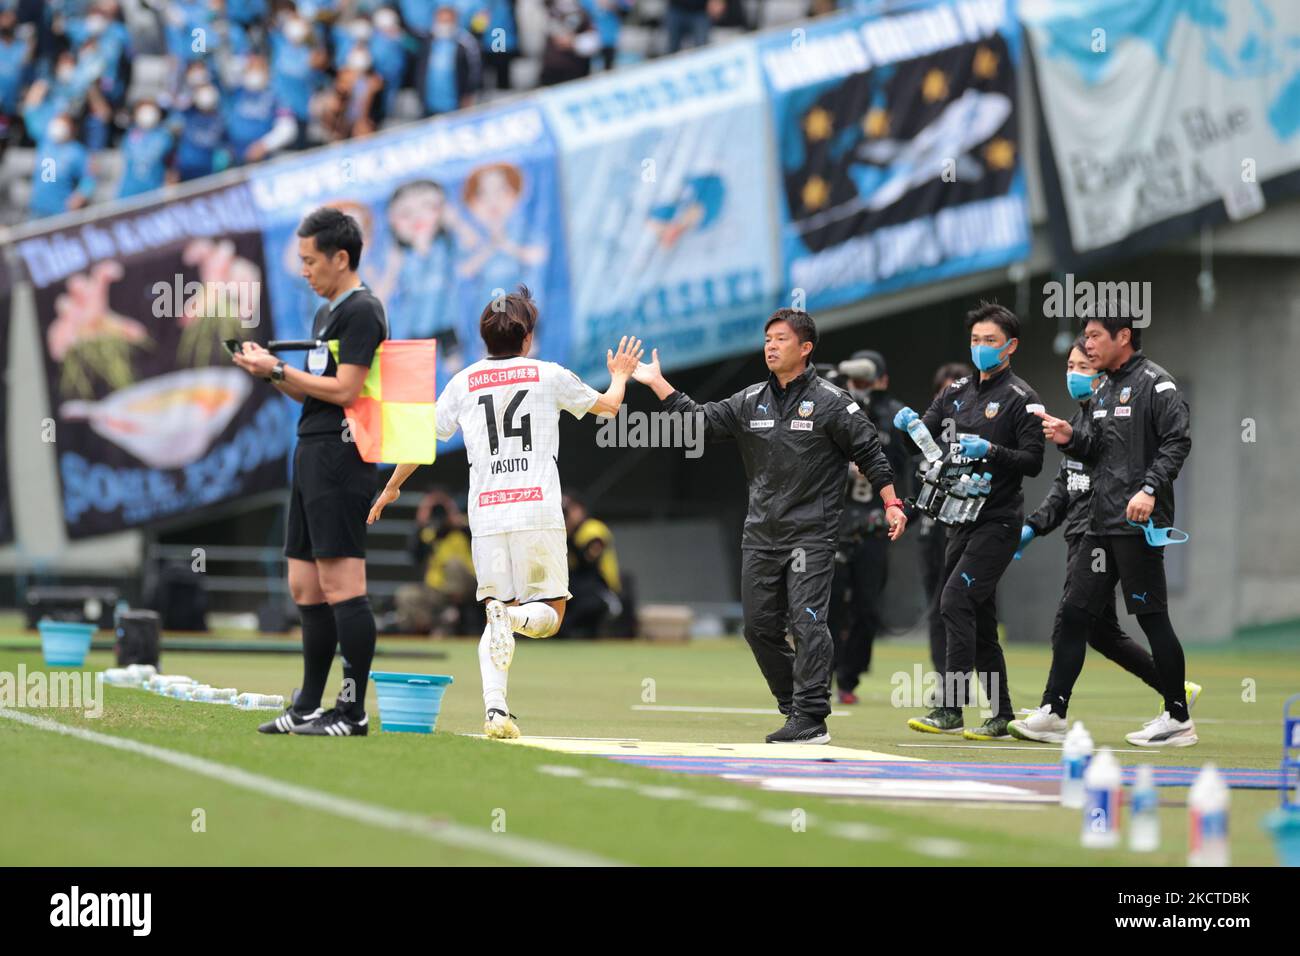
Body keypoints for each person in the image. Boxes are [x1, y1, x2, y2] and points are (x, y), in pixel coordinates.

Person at [368, 287, 642, 739]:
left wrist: (391, 488)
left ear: (483, 338)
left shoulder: (464, 382)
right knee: (549, 615)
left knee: (496, 606)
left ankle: (496, 709)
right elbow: (610, 408)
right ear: (527, 337)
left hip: (488, 515)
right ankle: (512, 621)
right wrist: (620, 375)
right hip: (536, 509)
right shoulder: (547, 374)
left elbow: (420, 440)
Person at [633, 309, 906, 744]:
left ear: (806, 348)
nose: (771, 347)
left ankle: (811, 717)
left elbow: (871, 452)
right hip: (760, 533)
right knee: (758, 628)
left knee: (808, 621)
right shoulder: (749, 401)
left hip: (811, 536)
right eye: (767, 340)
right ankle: (795, 706)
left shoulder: (834, 402)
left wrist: (892, 502)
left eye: (780, 339)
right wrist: (656, 383)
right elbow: (698, 422)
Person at [232, 207, 388, 738]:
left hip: (343, 455)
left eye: (310, 260)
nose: (304, 271)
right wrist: (269, 371)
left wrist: (278, 367)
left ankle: (353, 711)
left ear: (340, 258)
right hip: (312, 447)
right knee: (304, 584)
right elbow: (310, 387)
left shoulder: (363, 310)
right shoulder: (328, 314)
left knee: (343, 583)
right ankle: (306, 705)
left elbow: (346, 390)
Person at [1010, 337, 1202, 743]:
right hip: (1097, 526)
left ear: (1121, 339)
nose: (1076, 371)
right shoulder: (1096, 405)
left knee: (1149, 617)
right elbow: (1086, 465)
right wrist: (1069, 439)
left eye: (1089, 352)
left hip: (1132, 524)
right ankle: (1054, 710)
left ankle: (1178, 713)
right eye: (1072, 364)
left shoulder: (1154, 385)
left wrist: (1149, 489)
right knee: (1076, 617)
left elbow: (1176, 442)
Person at [895, 301, 1044, 740]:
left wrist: (992, 452)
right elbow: (924, 448)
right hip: (958, 518)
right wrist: (909, 431)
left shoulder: (1022, 399)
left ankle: (950, 707)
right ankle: (1001, 715)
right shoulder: (956, 391)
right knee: (976, 618)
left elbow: (1034, 462)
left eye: (991, 341)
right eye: (976, 340)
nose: (982, 347)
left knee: (954, 603)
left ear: (1010, 346)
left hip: (998, 521)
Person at [827, 349, 907, 704]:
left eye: (867, 381)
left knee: (867, 606)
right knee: (827, 604)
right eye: (854, 382)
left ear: (883, 381)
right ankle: (819, 676)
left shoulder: (895, 417)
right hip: (834, 523)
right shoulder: (834, 406)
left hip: (874, 524)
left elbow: (909, 467)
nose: (861, 388)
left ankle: (849, 678)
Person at [919, 361, 971, 679]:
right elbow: (918, 496)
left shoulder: (976, 440)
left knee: (962, 607)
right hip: (931, 537)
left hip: (965, 534)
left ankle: (969, 678)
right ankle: (944, 679)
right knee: (937, 609)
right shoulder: (927, 445)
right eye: (944, 394)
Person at [393, 490, 476, 635]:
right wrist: (421, 521)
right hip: (437, 588)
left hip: (468, 583)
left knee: (453, 565)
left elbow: (475, 534)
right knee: (406, 594)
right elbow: (414, 555)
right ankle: (437, 625)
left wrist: (454, 516)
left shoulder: (464, 529)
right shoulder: (428, 533)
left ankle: (453, 611)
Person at [561, 493, 622, 639]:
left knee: (584, 600)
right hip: (577, 586)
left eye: (569, 511)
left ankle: (565, 631)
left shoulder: (592, 528)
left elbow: (588, 561)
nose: (566, 517)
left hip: (601, 589)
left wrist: (569, 535)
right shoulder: (562, 533)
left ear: (580, 509)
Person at [418, 4, 481, 116]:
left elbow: (475, 70)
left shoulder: (465, 42)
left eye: (448, 21)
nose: (444, 25)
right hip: (429, 104)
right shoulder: (428, 40)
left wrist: (468, 94)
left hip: (455, 104)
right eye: (441, 21)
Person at [116, 99, 173, 199]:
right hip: (128, 193)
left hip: (153, 193)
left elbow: (171, 166)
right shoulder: (129, 135)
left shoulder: (165, 137)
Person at [539, 0, 599, 87]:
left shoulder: (582, 12)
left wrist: (574, 42)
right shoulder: (547, 10)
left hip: (576, 71)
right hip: (552, 71)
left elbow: (593, 41)